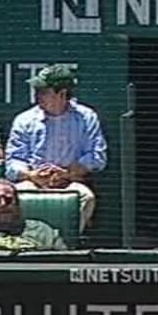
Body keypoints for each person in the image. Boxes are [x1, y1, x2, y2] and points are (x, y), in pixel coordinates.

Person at [6, 64, 108, 229]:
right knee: (14, 195)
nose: (37, 96)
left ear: (62, 94)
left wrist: (67, 173)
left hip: (70, 181)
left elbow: (97, 156)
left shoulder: (86, 117)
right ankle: (26, 241)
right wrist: (32, 175)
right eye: (37, 90)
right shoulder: (24, 120)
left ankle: (67, 245)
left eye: (43, 92)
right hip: (33, 181)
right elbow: (13, 161)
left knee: (86, 198)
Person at [0, 179, 67, 250]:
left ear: (18, 205)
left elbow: (64, 263)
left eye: (8, 200)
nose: (3, 204)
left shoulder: (44, 232)